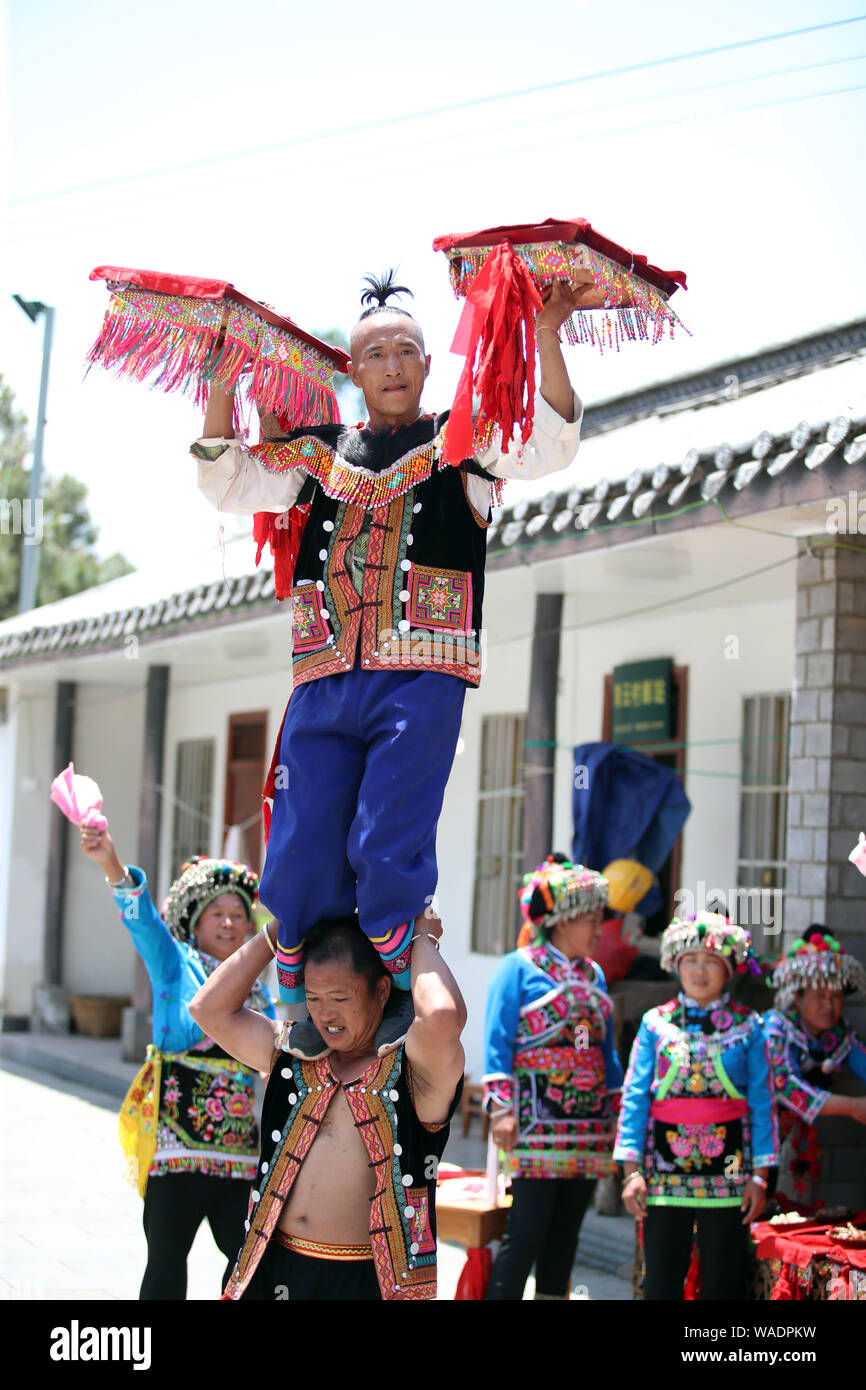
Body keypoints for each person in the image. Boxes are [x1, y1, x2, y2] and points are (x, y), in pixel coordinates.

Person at [192, 273, 585, 1030]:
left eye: (408, 349)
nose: (395, 364)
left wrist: (546, 334)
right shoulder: (317, 457)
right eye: (378, 353)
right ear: (352, 368)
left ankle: (395, 965)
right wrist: (220, 381)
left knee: (386, 833)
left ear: (430, 365)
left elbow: (548, 446)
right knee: (301, 842)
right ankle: (299, 978)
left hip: (423, 673)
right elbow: (229, 482)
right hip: (325, 672)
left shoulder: (461, 439)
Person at [188, 912, 465, 1301]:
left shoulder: (414, 1071)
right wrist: (280, 929)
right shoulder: (293, 1058)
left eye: (340, 997)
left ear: (381, 992)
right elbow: (208, 1009)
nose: (325, 1013)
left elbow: (441, 1015)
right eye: (314, 998)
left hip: (370, 1282)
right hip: (277, 1266)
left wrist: (422, 940)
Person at [79, 822, 276, 1300]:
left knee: (250, 1265)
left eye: (237, 914)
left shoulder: (260, 987)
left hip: (239, 1157)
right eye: (217, 913)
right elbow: (142, 919)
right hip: (176, 1153)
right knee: (166, 1268)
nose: (230, 923)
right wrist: (110, 859)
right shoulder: (174, 963)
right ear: (193, 918)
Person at [614, 911, 779, 1301]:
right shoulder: (656, 1024)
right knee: (662, 1283)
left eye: (710, 962)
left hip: (730, 1177)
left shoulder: (749, 1026)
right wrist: (630, 1172)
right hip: (663, 1177)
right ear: (676, 965)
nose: (699, 970)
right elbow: (635, 1097)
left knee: (724, 1281)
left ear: (727, 970)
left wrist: (760, 1177)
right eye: (690, 960)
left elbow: (763, 1100)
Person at [482, 855, 623, 1300]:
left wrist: (618, 1112)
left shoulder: (594, 974)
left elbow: (606, 1053)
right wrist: (502, 1109)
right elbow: (497, 1042)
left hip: (587, 1129)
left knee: (566, 1237)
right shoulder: (518, 968)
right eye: (590, 920)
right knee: (525, 1233)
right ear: (561, 921)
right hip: (535, 1127)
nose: (599, 930)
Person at [764, 925, 866, 1206]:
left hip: (787, 1144)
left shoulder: (838, 1034)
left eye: (835, 997)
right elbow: (787, 1088)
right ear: (797, 996)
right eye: (819, 996)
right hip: (751, 1136)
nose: (829, 1006)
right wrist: (852, 1107)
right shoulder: (776, 1029)